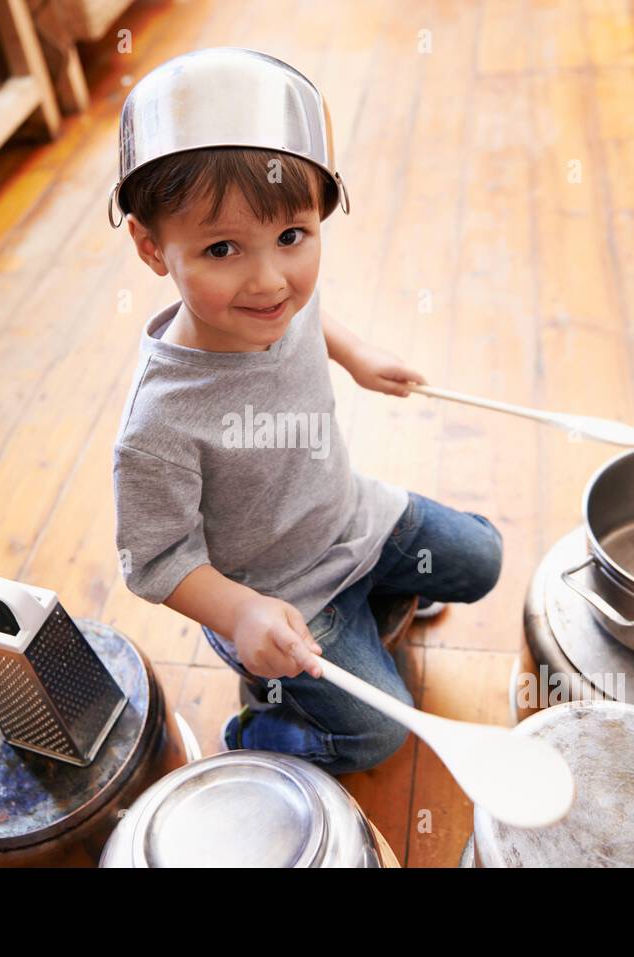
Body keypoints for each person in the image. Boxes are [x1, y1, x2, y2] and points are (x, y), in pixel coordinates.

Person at [111, 49, 503, 774]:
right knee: (379, 737)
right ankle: (263, 731)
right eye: (222, 248)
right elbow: (156, 560)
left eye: (292, 236)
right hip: (280, 594)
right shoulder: (158, 423)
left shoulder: (275, 298)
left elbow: (310, 313)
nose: (269, 282)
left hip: (352, 517)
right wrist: (240, 614)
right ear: (150, 246)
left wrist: (355, 355)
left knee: (484, 557)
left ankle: (377, 601)